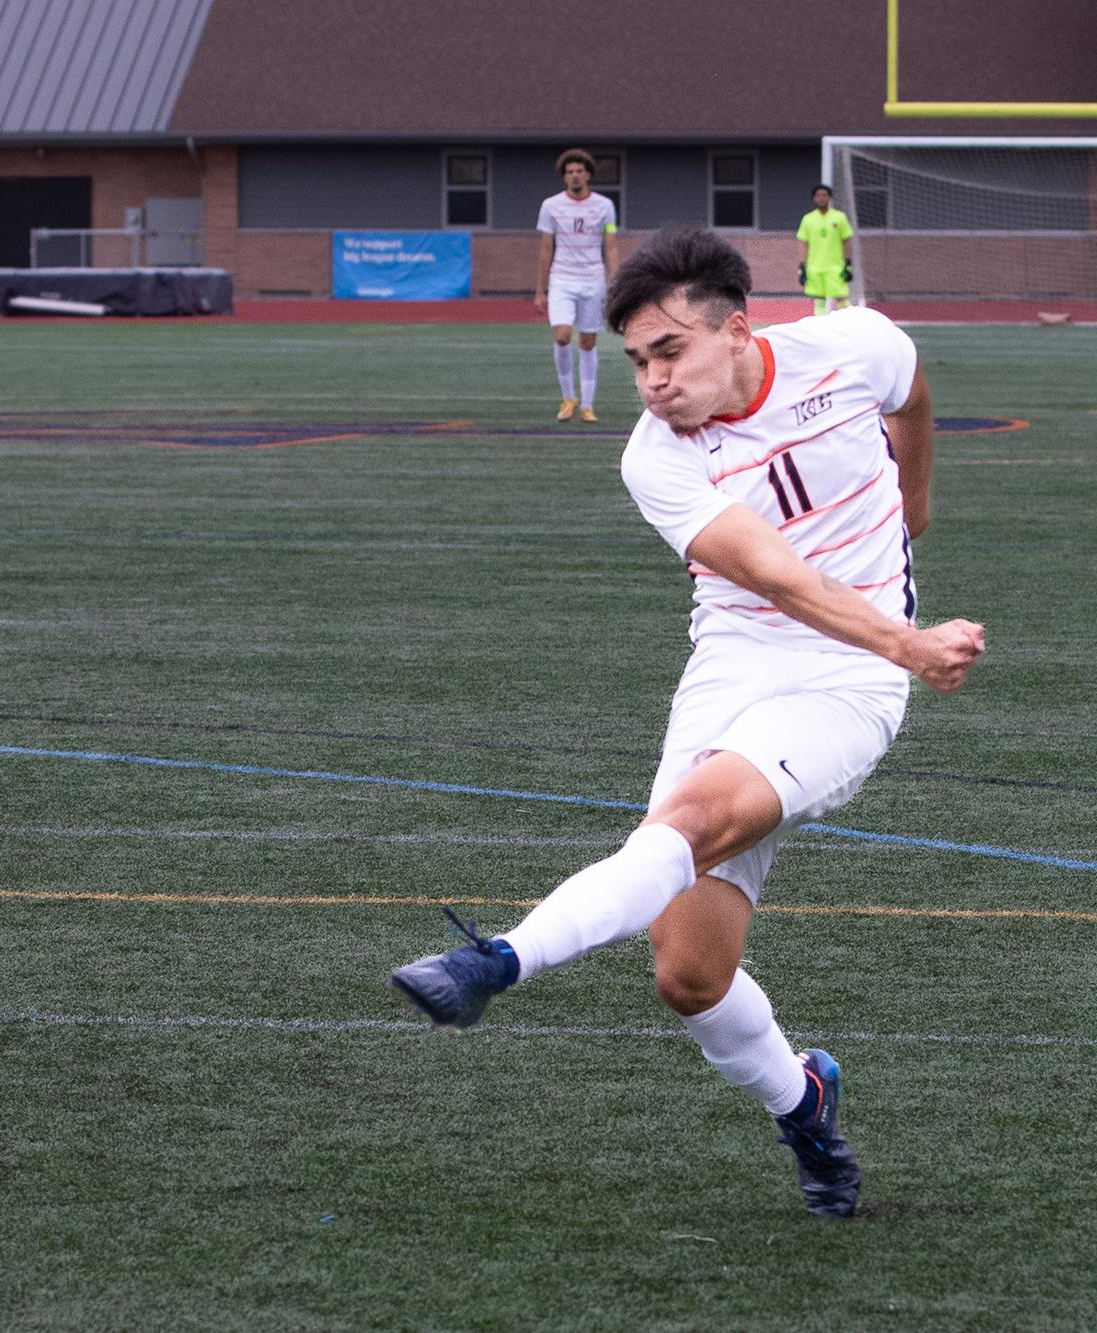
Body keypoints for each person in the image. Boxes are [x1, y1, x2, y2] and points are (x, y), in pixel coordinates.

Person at [390, 226, 985, 1219]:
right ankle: (804, 1103)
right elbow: (774, 575)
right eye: (634, 363)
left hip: (845, 678)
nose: (651, 381)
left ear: (737, 330)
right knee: (687, 975)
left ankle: (494, 960)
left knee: (691, 821)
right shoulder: (654, 460)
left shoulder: (854, 346)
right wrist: (908, 639)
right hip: (737, 663)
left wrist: (910, 505)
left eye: (668, 352)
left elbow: (911, 392)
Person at [535, 149, 618, 423]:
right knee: (561, 335)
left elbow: (612, 245)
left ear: (588, 174)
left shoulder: (605, 206)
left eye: (579, 171)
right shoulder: (551, 206)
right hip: (562, 279)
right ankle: (568, 397)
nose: (575, 176)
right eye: (570, 172)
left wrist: (615, 283)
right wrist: (540, 289)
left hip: (593, 279)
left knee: (588, 341)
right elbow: (546, 248)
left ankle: (587, 404)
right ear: (564, 177)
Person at [796, 184, 856, 315]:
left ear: (830, 198)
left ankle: (851, 326)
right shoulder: (808, 219)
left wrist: (848, 264)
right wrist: (801, 266)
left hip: (835, 267)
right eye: (818, 195)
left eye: (824, 195)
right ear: (814, 198)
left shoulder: (839, 218)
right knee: (819, 301)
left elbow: (847, 241)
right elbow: (802, 243)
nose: (821, 198)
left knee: (842, 299)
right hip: (815, 267)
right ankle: (820, 329)